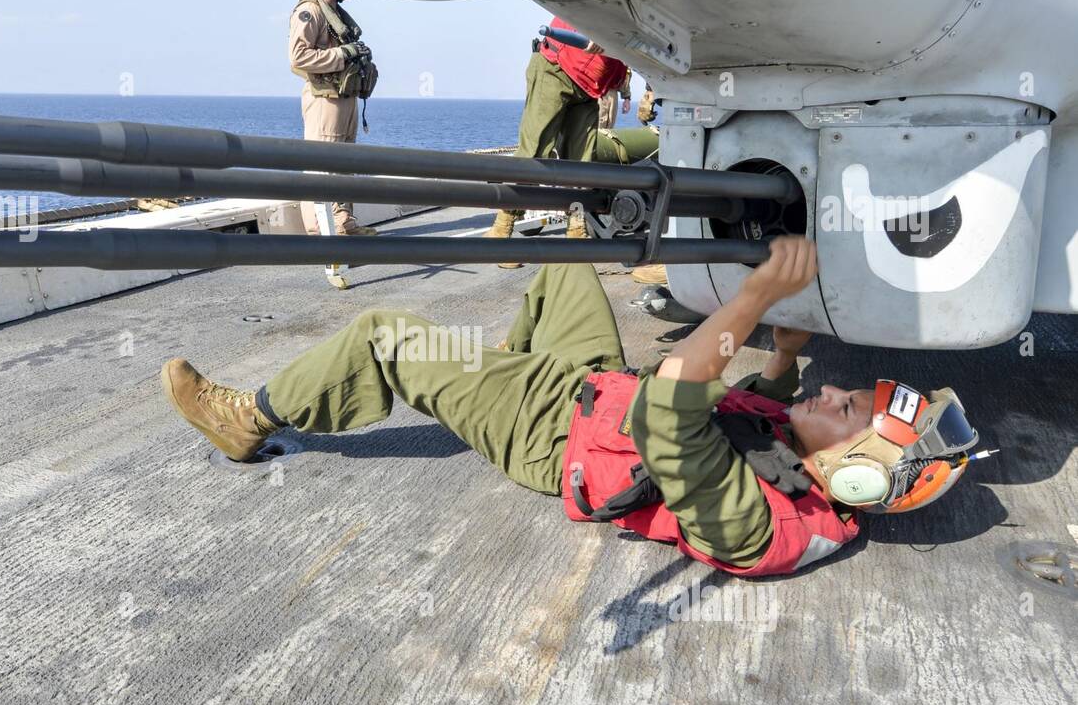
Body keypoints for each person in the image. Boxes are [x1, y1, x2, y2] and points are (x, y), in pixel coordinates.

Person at [160, 237, 979, 576]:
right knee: (567, 266)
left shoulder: (759, 528)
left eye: (846, 412)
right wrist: (787, 356)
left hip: (550, 431)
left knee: (384, 336)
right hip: (593, 386)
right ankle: (489, 372)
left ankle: (251, 418)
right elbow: (756, 418)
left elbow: (674, 416)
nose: (833, 395)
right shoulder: (804, 466)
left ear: (854, 478)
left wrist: (754, 297)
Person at [487, 17, 629, 268]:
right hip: (557, 67)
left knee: (581, 162)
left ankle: (576, 233)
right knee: (533, 152)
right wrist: (594, 27)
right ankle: (502, 233)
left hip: (591, 87)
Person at [289, 0, 380, 289]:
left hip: (345, 100)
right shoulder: (310, 11)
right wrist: (343, 54)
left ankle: (345, 226)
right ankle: (322, 242)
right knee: (320, 171)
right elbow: (298, 57)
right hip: (324, 101)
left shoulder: (335, 13)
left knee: (345, 170)